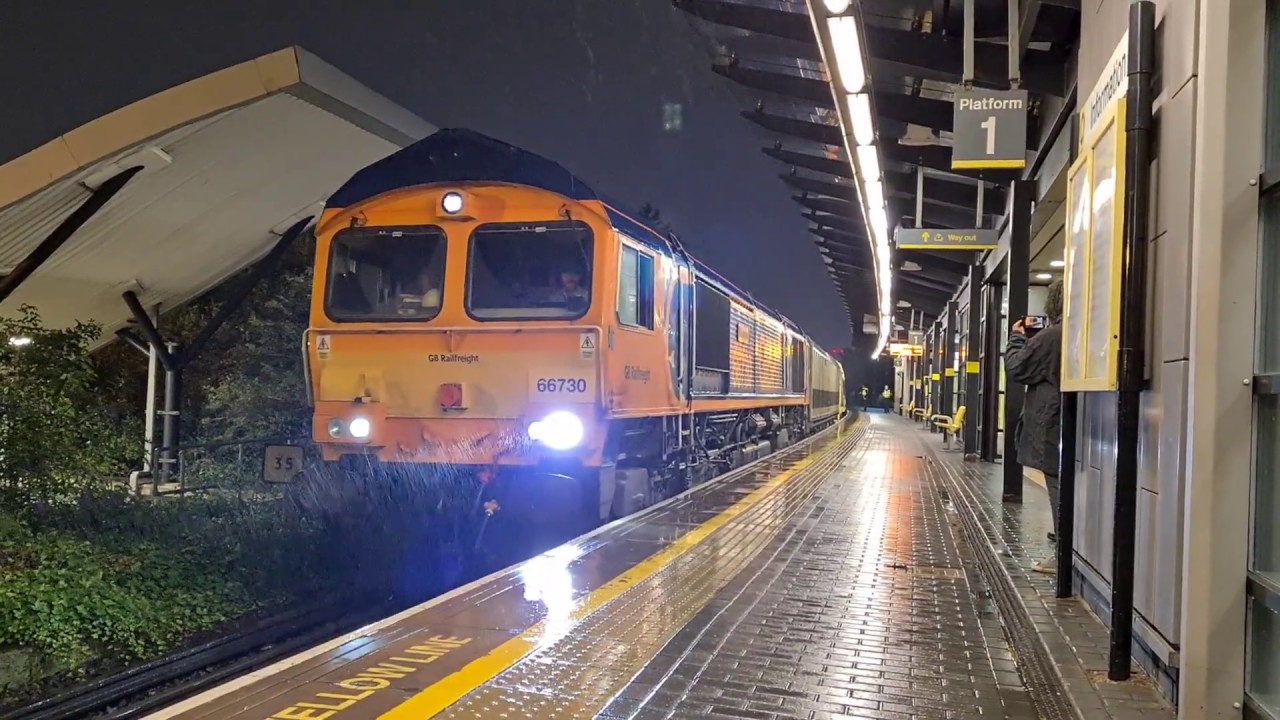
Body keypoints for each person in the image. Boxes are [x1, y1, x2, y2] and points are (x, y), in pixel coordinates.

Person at [1005, 279, 1064, 575]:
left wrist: (1016, 338)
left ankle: (1063, 555)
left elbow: (1017, 367)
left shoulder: (1053, 336)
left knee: (1057, 486)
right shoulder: (1080, 333)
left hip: (1052, 423)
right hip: (1067, 422)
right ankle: (1068, 549)